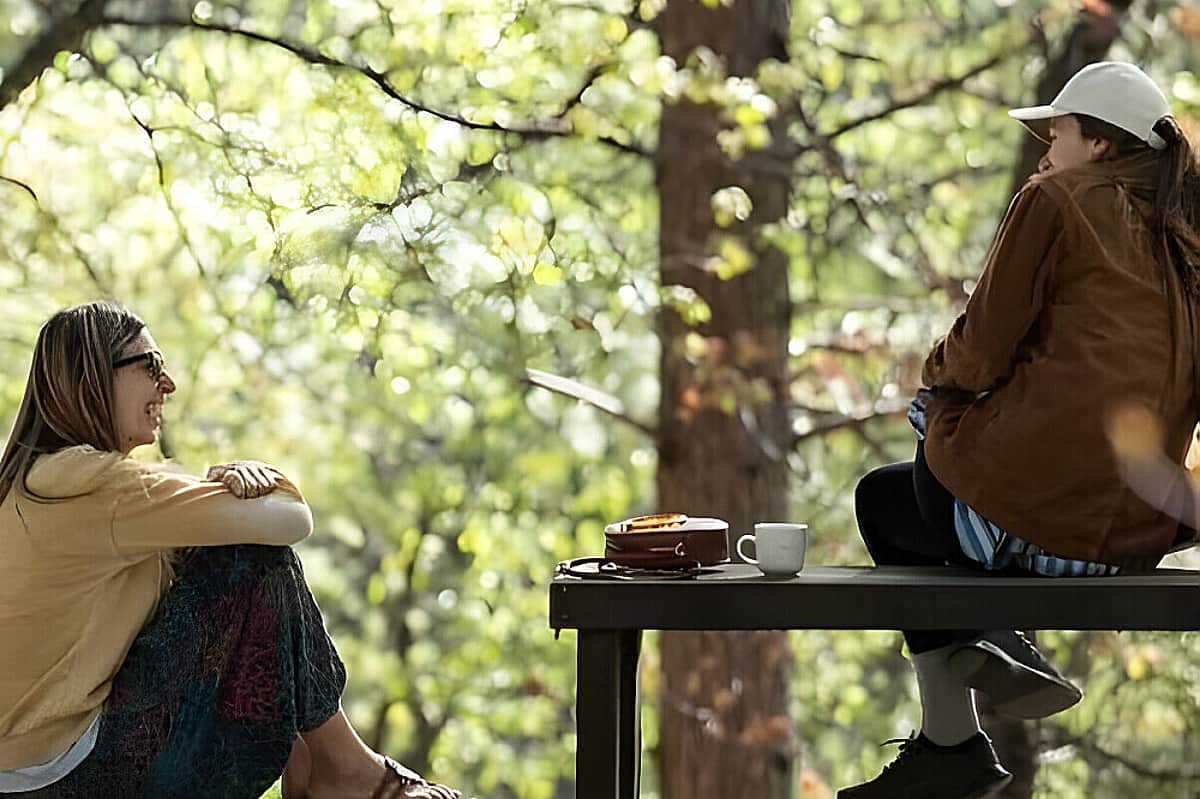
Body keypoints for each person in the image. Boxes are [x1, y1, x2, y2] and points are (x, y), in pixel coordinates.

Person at [839, 61, 1200, 799]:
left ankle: (983, 650)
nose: (1044, 155)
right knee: (884, 499)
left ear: (1099, 144)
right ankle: (954, 738)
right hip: (1128, 541)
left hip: (1034, 525)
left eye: (1056, 135)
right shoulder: (1189, 239)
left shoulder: (1056, 199)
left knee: (938, 412)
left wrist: (934, 370)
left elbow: (978, 350)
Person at [0, 301, 462, 799]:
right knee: (255, 560)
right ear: (92, 377)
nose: (167, 384)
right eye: (150, 365)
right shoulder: (97, 487)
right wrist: (253, 480)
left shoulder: (33, 483)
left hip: (29, 775)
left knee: (213, 565)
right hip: (73, 776)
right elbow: (291, 520)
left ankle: (319, 766)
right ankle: (347, 771)